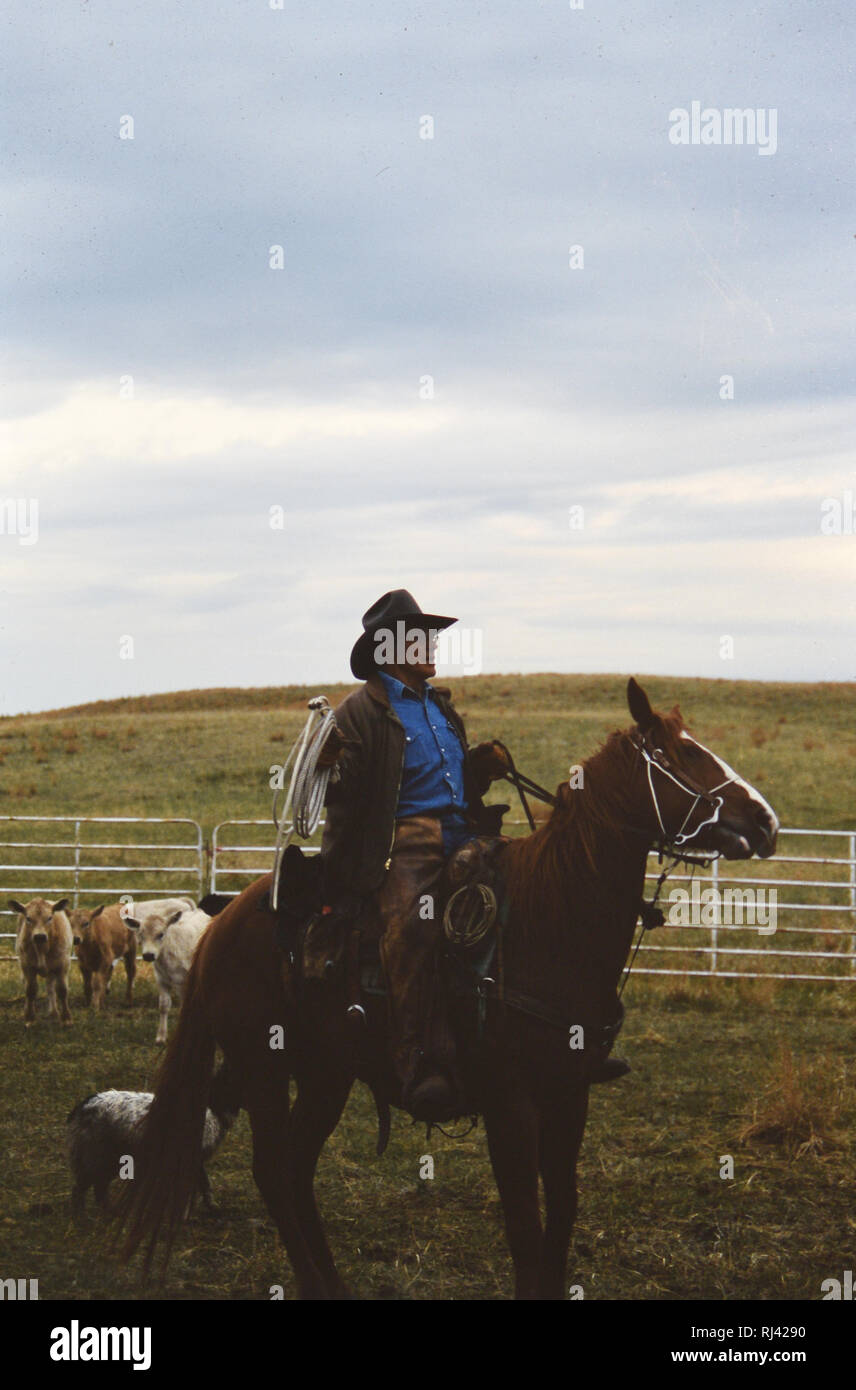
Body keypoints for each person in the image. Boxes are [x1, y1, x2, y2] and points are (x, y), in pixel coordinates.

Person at [317, 590, 509, 1122]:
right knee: (415, 928)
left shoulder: (440, 706)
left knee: (527, 892)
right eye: (419, 635)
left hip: (462, 830)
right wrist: (329, 765)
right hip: (402, 838)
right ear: (389, 647)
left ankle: (534, 1036)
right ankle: (420, 1062)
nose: (431, 644)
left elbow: (451, 781)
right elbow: (343, 788)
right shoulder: (359, 713)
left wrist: (479, 768)